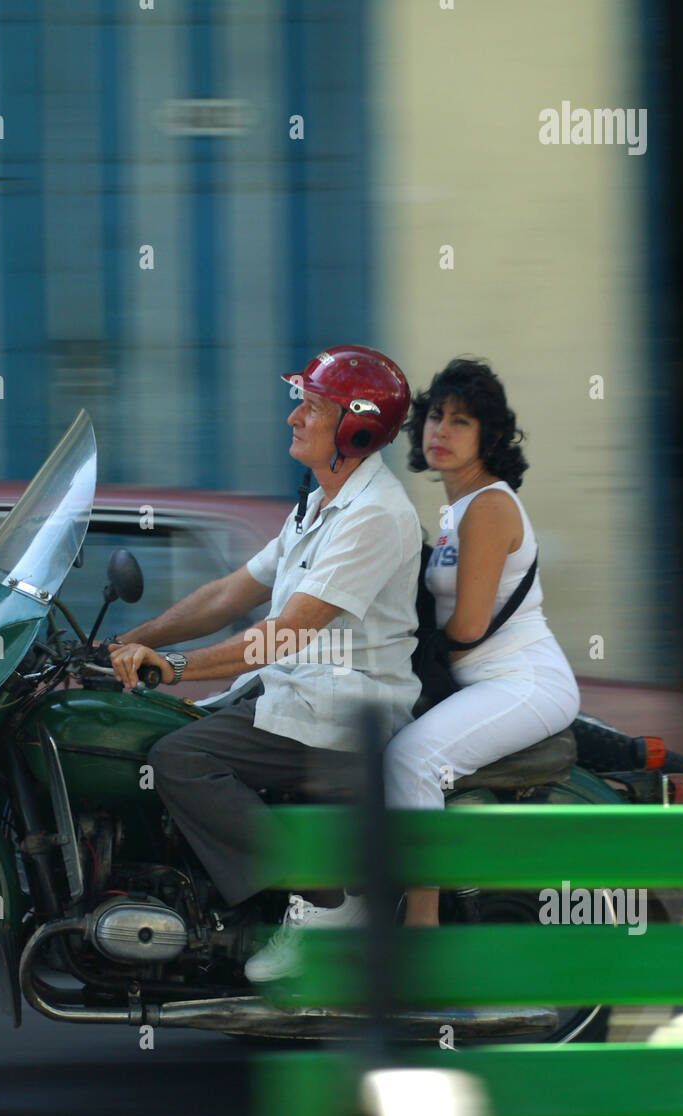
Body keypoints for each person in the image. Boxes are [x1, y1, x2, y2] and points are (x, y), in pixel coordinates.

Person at [108, 345, 422, 980]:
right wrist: (123, 642)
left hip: (343, 712)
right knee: (156, 732)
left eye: (311, 407)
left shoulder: (375, 517)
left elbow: (287, 633)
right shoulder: (318, 505)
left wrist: (169, 665)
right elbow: (229, 594)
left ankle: (329, 896)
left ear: (355, 427)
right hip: (292, 696)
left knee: (182, 759)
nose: (293, 419)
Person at [384, 357, 580, 926]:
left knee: (411, 759)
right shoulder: (457, 510)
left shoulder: (489, 506)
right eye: (435, 417)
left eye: (461, 421)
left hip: (522, 682)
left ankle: (421, 931)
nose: (441, 431)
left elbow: (467, 628)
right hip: (483, 684)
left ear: (488, 435)